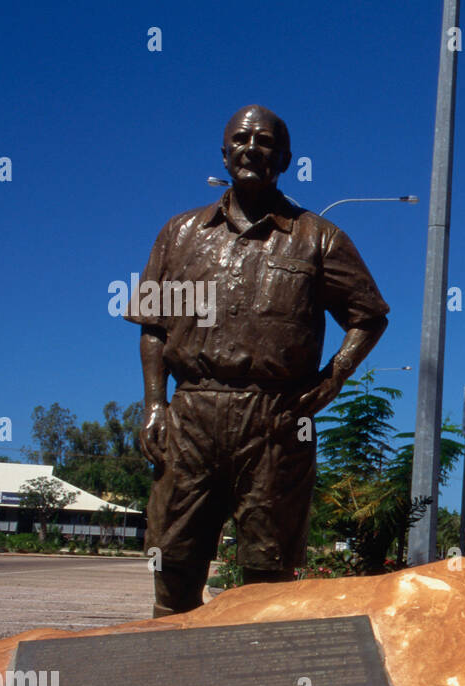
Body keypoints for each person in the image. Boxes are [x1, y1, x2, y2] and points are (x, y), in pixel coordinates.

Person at [127, 105, 389, 616]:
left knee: (268, 575)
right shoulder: (181, 234)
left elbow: (369, 315)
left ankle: (258, 684)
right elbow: (154, 330)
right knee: (172, 562)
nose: (253, 148)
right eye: (242, 139)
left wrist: (333, 380)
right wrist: (154, 405)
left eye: (266, 141)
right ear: (224, 153)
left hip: (276, 420)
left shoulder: (318, 237)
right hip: (192, 413)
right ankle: (170, 680)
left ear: (286, 158)